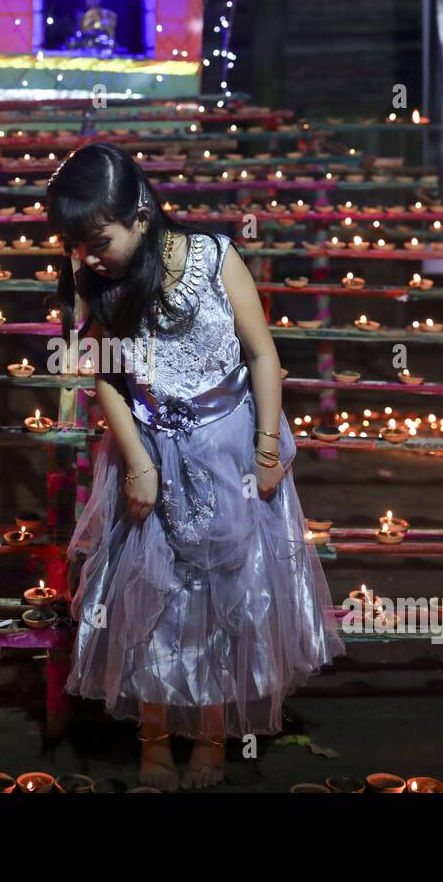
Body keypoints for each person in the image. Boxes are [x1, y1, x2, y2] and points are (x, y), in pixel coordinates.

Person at [47, 143, 345, 790]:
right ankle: (154, 745)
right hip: (151, 449)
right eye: (74, 244)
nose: (86, 258)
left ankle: (211, 742)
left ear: (142, 216)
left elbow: (263, 356)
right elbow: (106, 380)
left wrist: (267, 449)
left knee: (224, 597)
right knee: (153, 600)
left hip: (230, 445)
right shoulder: (104, 281)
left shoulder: (214, 259)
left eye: (97, 240)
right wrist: (137, 465)